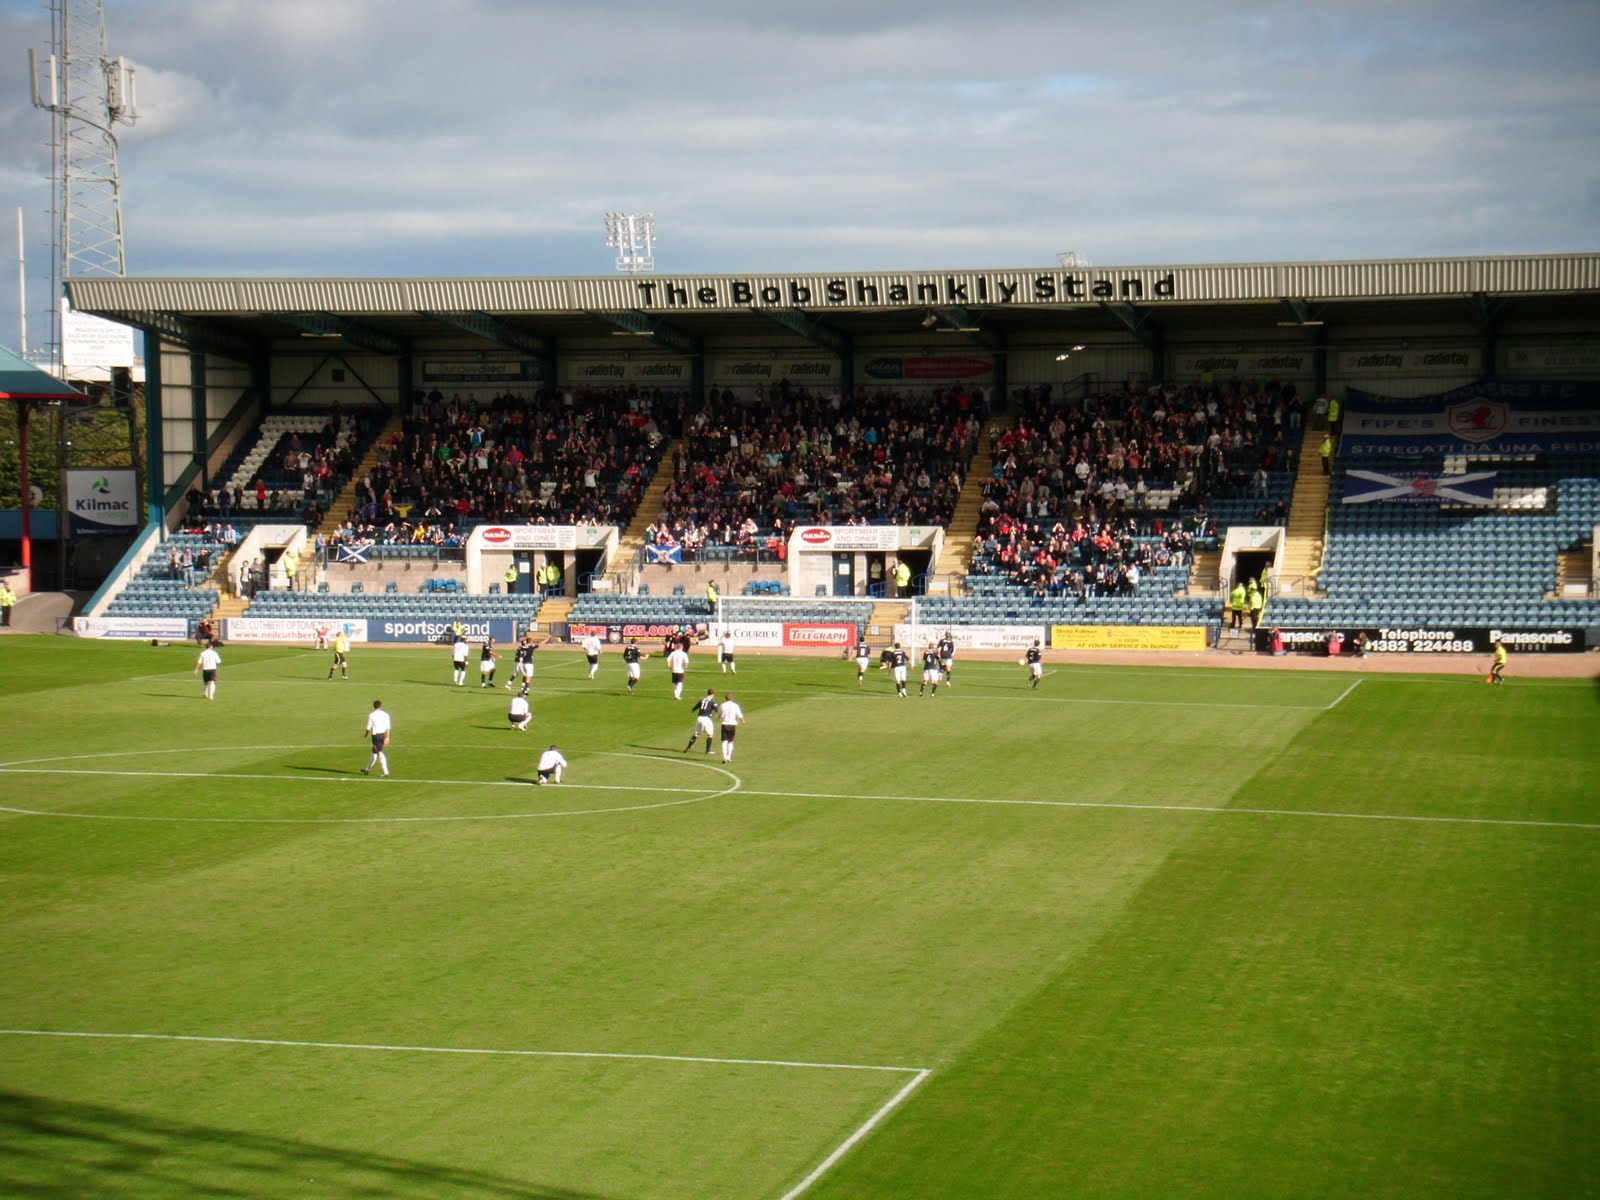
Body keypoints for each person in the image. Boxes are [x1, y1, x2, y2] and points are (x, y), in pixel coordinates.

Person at [361, 700, 391, 776]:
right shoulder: (386, 715)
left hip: (376, 737)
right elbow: (388, 727)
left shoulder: (372, 715)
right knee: (374, 753)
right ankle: (367, 770)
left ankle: (386, 772)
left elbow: (368, 727)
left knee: (380, 753)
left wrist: (366, 734)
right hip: (382, 735)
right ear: (381, 706)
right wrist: (387, 737)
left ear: (373, 706)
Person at [685, 687, 718, 754]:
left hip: (699, 718)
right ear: (713, 694)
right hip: (706, 718)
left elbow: (695, 708)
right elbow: (717, 710)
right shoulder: (712, 702)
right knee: (710, 735)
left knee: (696, 733)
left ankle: (688, 747)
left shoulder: (702, 700)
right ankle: (708, 750)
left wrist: (691, 711)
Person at [717, 692, 746, 763]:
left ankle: (724, 757)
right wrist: (743, 720)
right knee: (730, 741)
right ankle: (729, 756)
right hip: (732, 725)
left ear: (725, 698)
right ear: (732, 698)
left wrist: (721, 717)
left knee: (724, 741)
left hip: (725, 724)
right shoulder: (735, 705)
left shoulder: (722, 705)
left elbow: (719, 716)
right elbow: (739, 714)